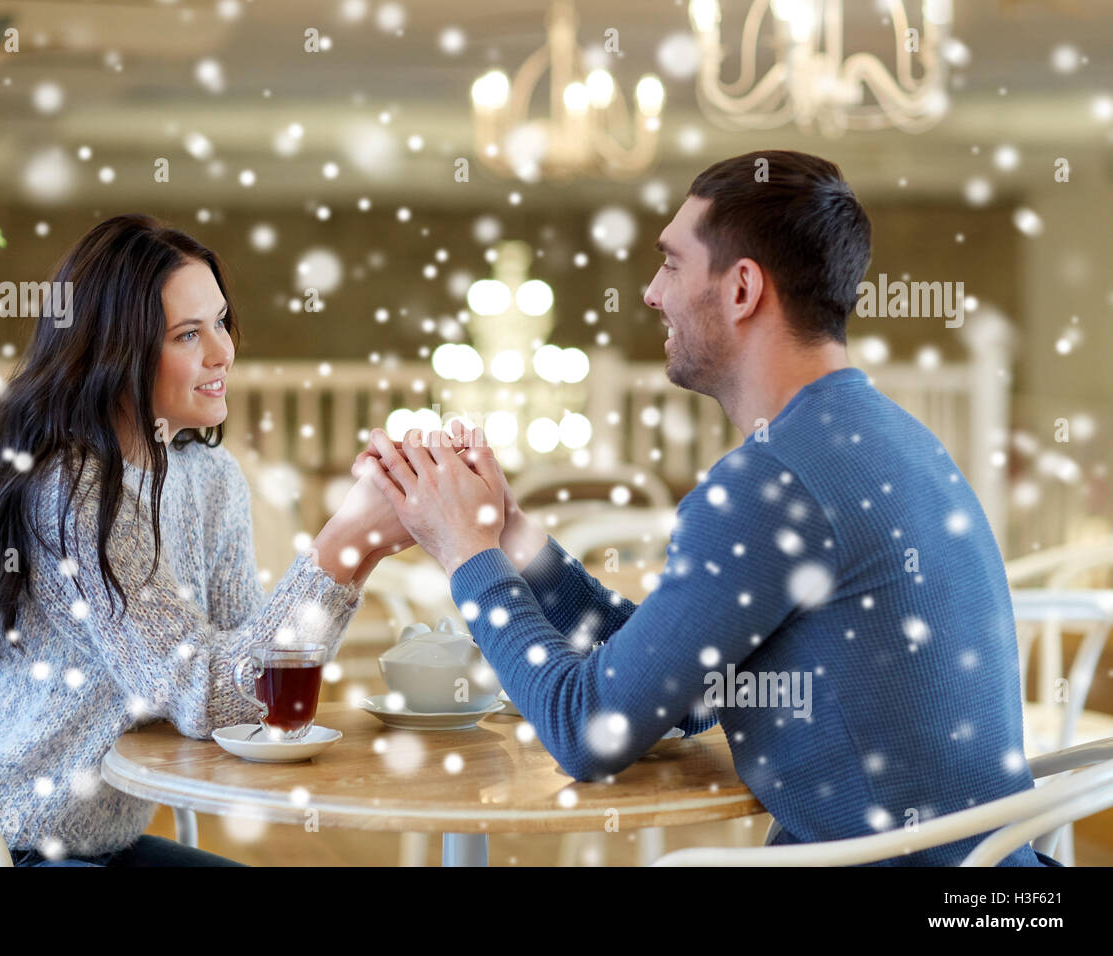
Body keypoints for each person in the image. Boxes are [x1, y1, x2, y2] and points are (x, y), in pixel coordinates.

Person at [357, 150, 1061, 867]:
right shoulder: (893, 437)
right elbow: (676, 682)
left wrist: (463, 555)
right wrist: (510, 535)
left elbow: (586, 730)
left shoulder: (769, 482)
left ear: (742, 288)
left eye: (669, 263)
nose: (650, 293)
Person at [0, 214, 411, 866]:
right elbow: (208, 697)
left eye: (220, 321)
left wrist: (358, 548)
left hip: (99, 845)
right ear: (116, 352)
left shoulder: (213, 478)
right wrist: (345, 547)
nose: (222, 351)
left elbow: (243, 691)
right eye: (188, 334)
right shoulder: (75, 491)